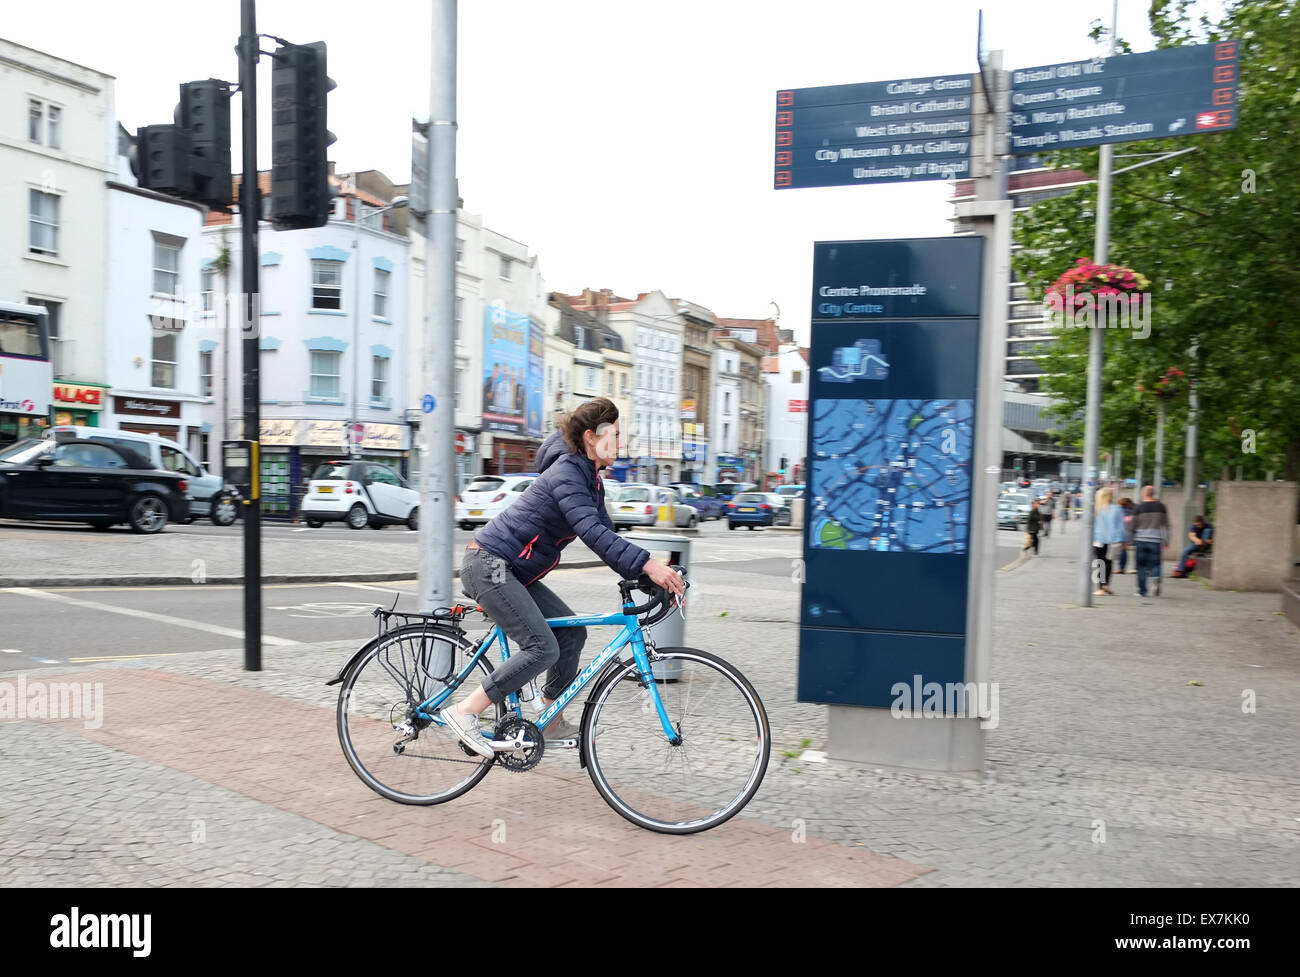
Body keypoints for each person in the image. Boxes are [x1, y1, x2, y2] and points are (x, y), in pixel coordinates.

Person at [439, 397, 685, 758]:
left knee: (570, 633)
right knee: (542, 647)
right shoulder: (567, 473)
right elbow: (589, 531)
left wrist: (646, 576)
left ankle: (549, 719)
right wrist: (648, 563)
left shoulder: (590, 479)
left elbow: (606, 534)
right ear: (591, 437)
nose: (621, 443)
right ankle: (465, 711)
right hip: (488, 565)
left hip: (510, 570)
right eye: (615, 435)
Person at [1131, 485, 1170, 597]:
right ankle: (1156, 579)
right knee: (1156, 563)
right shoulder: (1161, 507)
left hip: (1141, 540)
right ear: (1153, 494)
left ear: (1144, 494)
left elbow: (1132, 526)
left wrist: (1130, 540)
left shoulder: (1138, 508)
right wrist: (1166, 541)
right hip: (1156, 540)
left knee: (1141, 566)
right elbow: (1166, 525)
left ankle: (1142, 591)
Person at [1092, 486, 1126, 596]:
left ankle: (1101, 587)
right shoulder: (1117, 509)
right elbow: (1121, 526)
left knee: (1099, 563)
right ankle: (1106, 585)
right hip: (1113, 541)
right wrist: (1123, 540)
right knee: (1109, 563)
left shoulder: (1097, 509)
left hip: (1098, 540)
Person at [1115, 497, 1135, 574]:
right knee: (1124, 550)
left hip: (1120, 533)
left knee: (1122, 551)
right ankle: (1122, 567)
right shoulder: (1132, 511)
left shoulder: (1119, 511)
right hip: (1128, 533)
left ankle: (1121, 568)